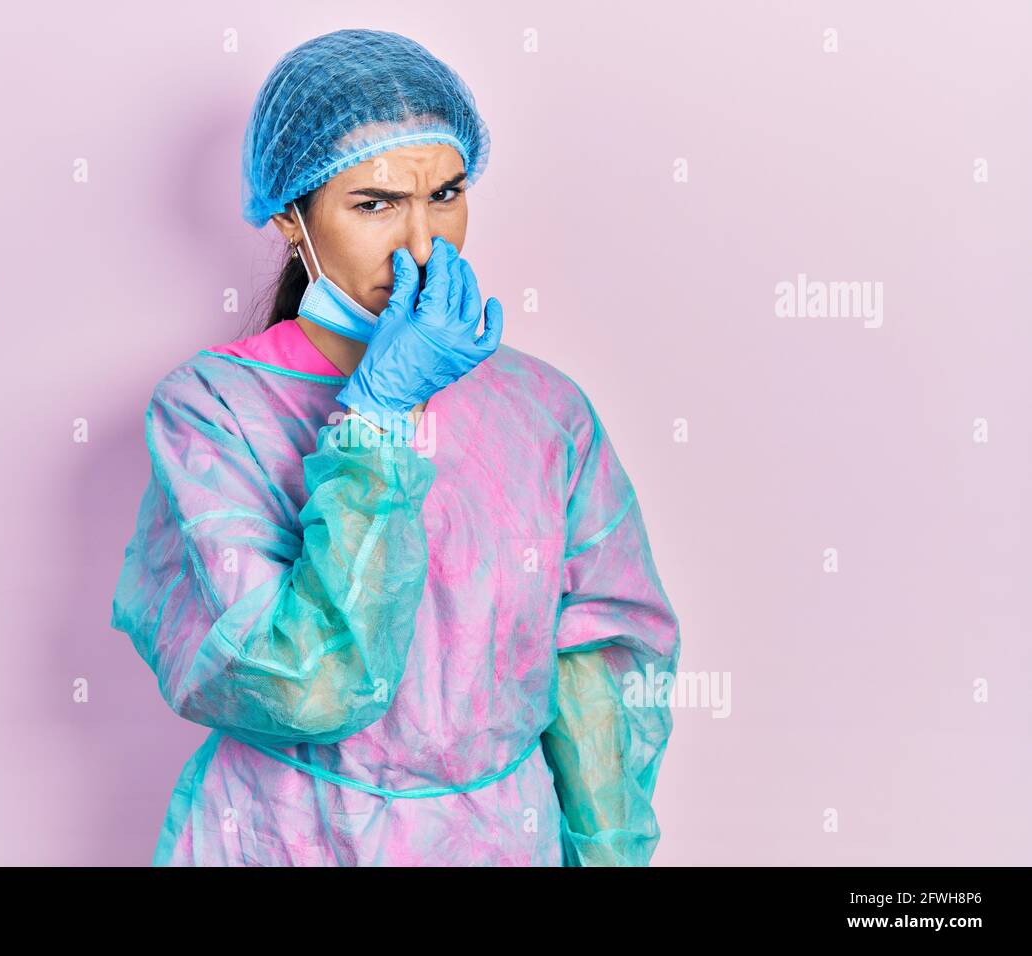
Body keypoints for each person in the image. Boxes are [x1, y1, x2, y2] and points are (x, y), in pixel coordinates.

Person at [110, 28, 681, 866]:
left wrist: (607, 853)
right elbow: (306, 684)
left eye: (445, 195)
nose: (423, 245)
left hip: (496, 843)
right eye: (374, 204)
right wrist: (375, 418)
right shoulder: (211, 410)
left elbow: (597, 660)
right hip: (285, 836)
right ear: (290, 217)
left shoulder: (544, 409)